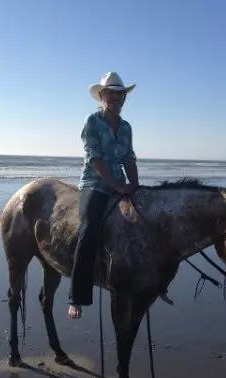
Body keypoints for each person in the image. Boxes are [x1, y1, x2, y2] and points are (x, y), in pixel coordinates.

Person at [67, 72, 139, 319]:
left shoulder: (127, 127)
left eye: (120, 94)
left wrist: (135, 185)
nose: (116, 97)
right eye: (111, 93)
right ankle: (77, 296)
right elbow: (94, 159)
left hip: (119, 182)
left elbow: (129, 158)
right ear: (102, 96)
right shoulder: (92, 121)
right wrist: (117, 185)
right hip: (95, 184)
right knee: (88, 230)